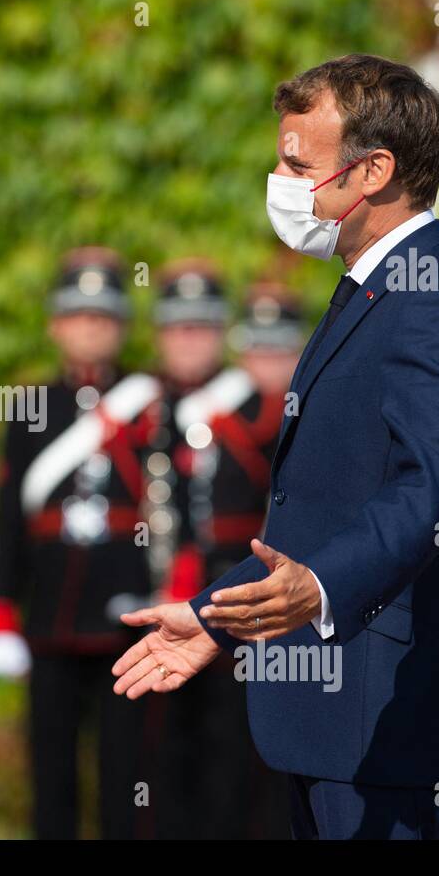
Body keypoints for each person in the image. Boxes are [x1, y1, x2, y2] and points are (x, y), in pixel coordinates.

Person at [113, 54, 439, 840]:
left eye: (299, 163)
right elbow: (321, 510)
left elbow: (431, 490)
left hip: (388, 721)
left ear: (373, 171)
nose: (280, 179)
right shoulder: (369, 287)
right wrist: (215, 617)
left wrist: (323, 587)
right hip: (331, 727)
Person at [0, 247, 157, 839]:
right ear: (56, 324)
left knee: (128, 777)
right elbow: (9, 520)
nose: (90, 327)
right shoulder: (30, 407)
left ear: (122, 326)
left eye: (103, 316)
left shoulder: (151, 403)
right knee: (50, 778)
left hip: (127, 616)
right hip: (49, 618)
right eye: (78, 315)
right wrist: (1, 607)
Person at [136, 260, 289, 839]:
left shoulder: (255, 407)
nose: (189, 338)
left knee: (239, 756)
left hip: (242, 596)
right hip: (166, 596)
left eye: (202, 326)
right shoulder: (146, 404)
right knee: (162, 761)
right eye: (178, 326)